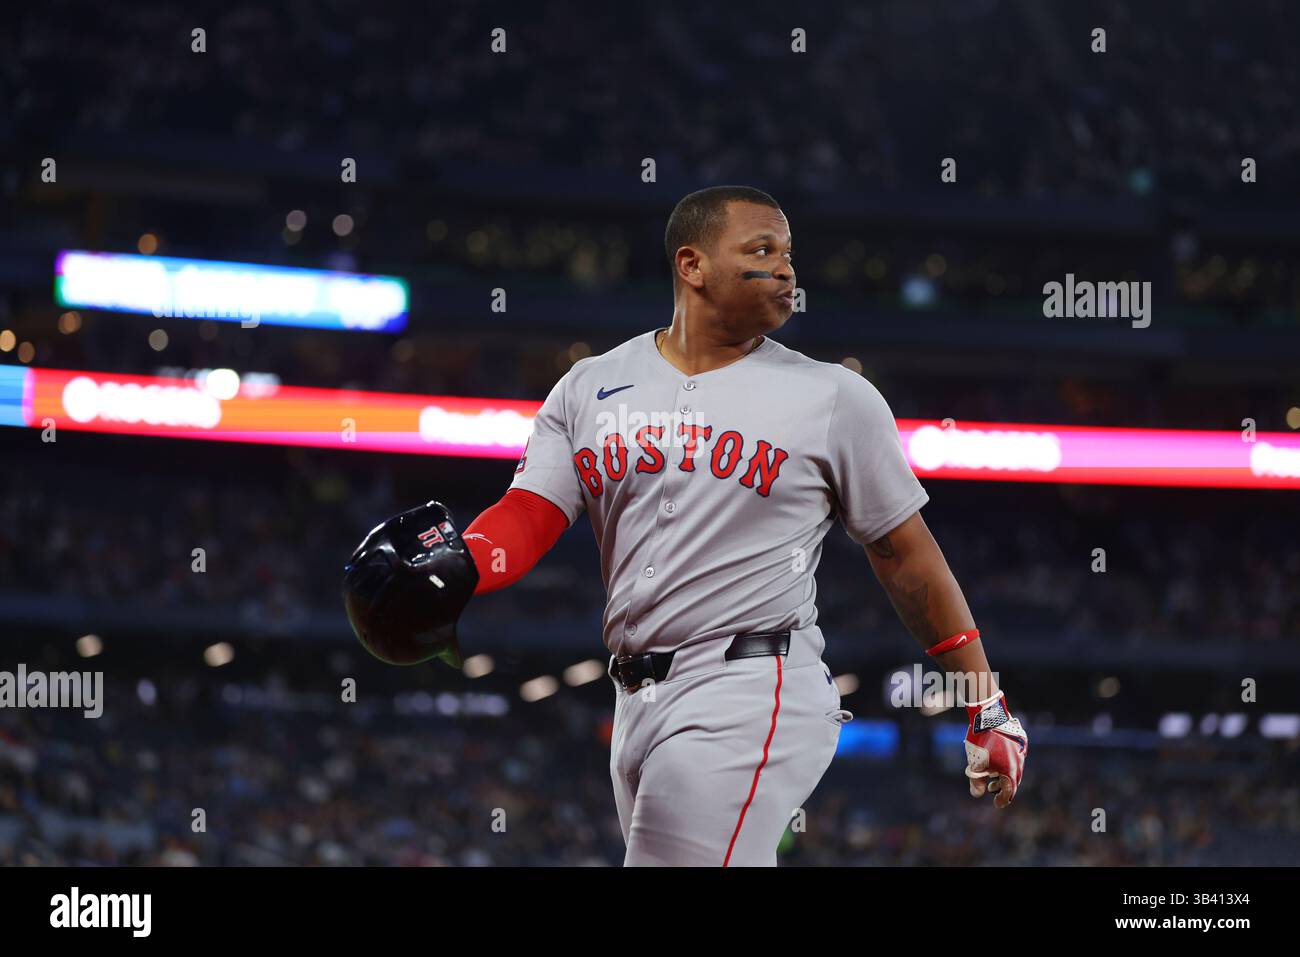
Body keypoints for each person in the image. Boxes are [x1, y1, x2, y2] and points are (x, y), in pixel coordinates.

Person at [348, 185, 1028, 866]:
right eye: (761, 250)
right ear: (692, 264)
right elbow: (531, 511)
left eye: (789, 254)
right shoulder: (589, 385)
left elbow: (906, 555)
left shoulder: (835, 399)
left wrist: (985, 701)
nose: (786, 269)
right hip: (636, 701)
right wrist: (466, 563)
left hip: (752, 683)